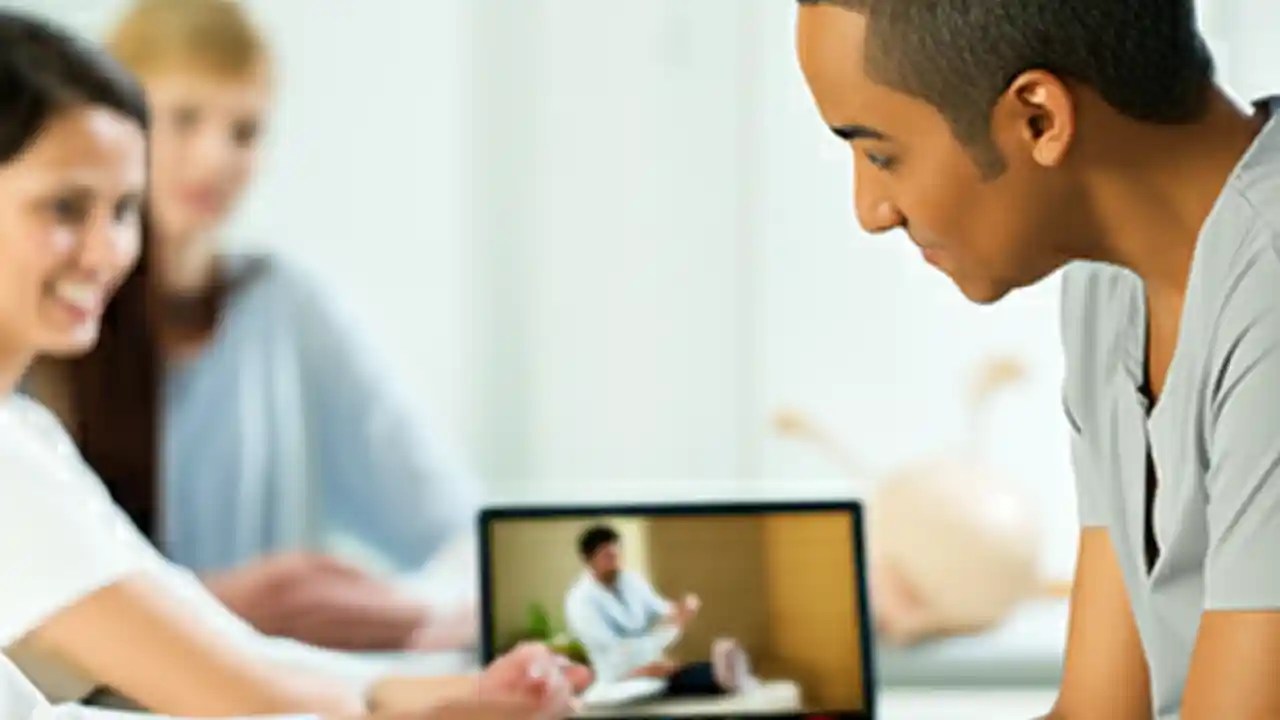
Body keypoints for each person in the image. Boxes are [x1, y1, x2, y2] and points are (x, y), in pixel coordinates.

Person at [0, 9, 588, 719]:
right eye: (66, 208)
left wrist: (433, 681)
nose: (105, 251)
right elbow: (246, 695)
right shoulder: (14, 454)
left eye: (125, 208)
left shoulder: (29, 436)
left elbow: (244, 667)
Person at [795, 0, 1280, 717]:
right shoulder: (1107, 278)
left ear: (1039, 119)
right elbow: (1098, 708)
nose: (871, 209)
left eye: (880, 154)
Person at [24, 0, 479, 653]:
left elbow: (454, 526)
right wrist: (214, 606)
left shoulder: (286, 308)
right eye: (182, 119)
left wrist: (400, 617)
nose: (214, 160)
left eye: (245, 131)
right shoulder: (39, 317)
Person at [563, 526, 754, 697]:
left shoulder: (630, 579)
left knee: (702, 672)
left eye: (617, 555)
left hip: (652, 661)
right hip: (619, 675)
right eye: (608, 557)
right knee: (695, 680)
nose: (615, 563)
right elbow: (613, 650)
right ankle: (724, 677)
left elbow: (659, 608)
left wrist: (680, 610)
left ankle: (729, 674)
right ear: (589, 560)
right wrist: (646, 667)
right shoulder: (580, 600)